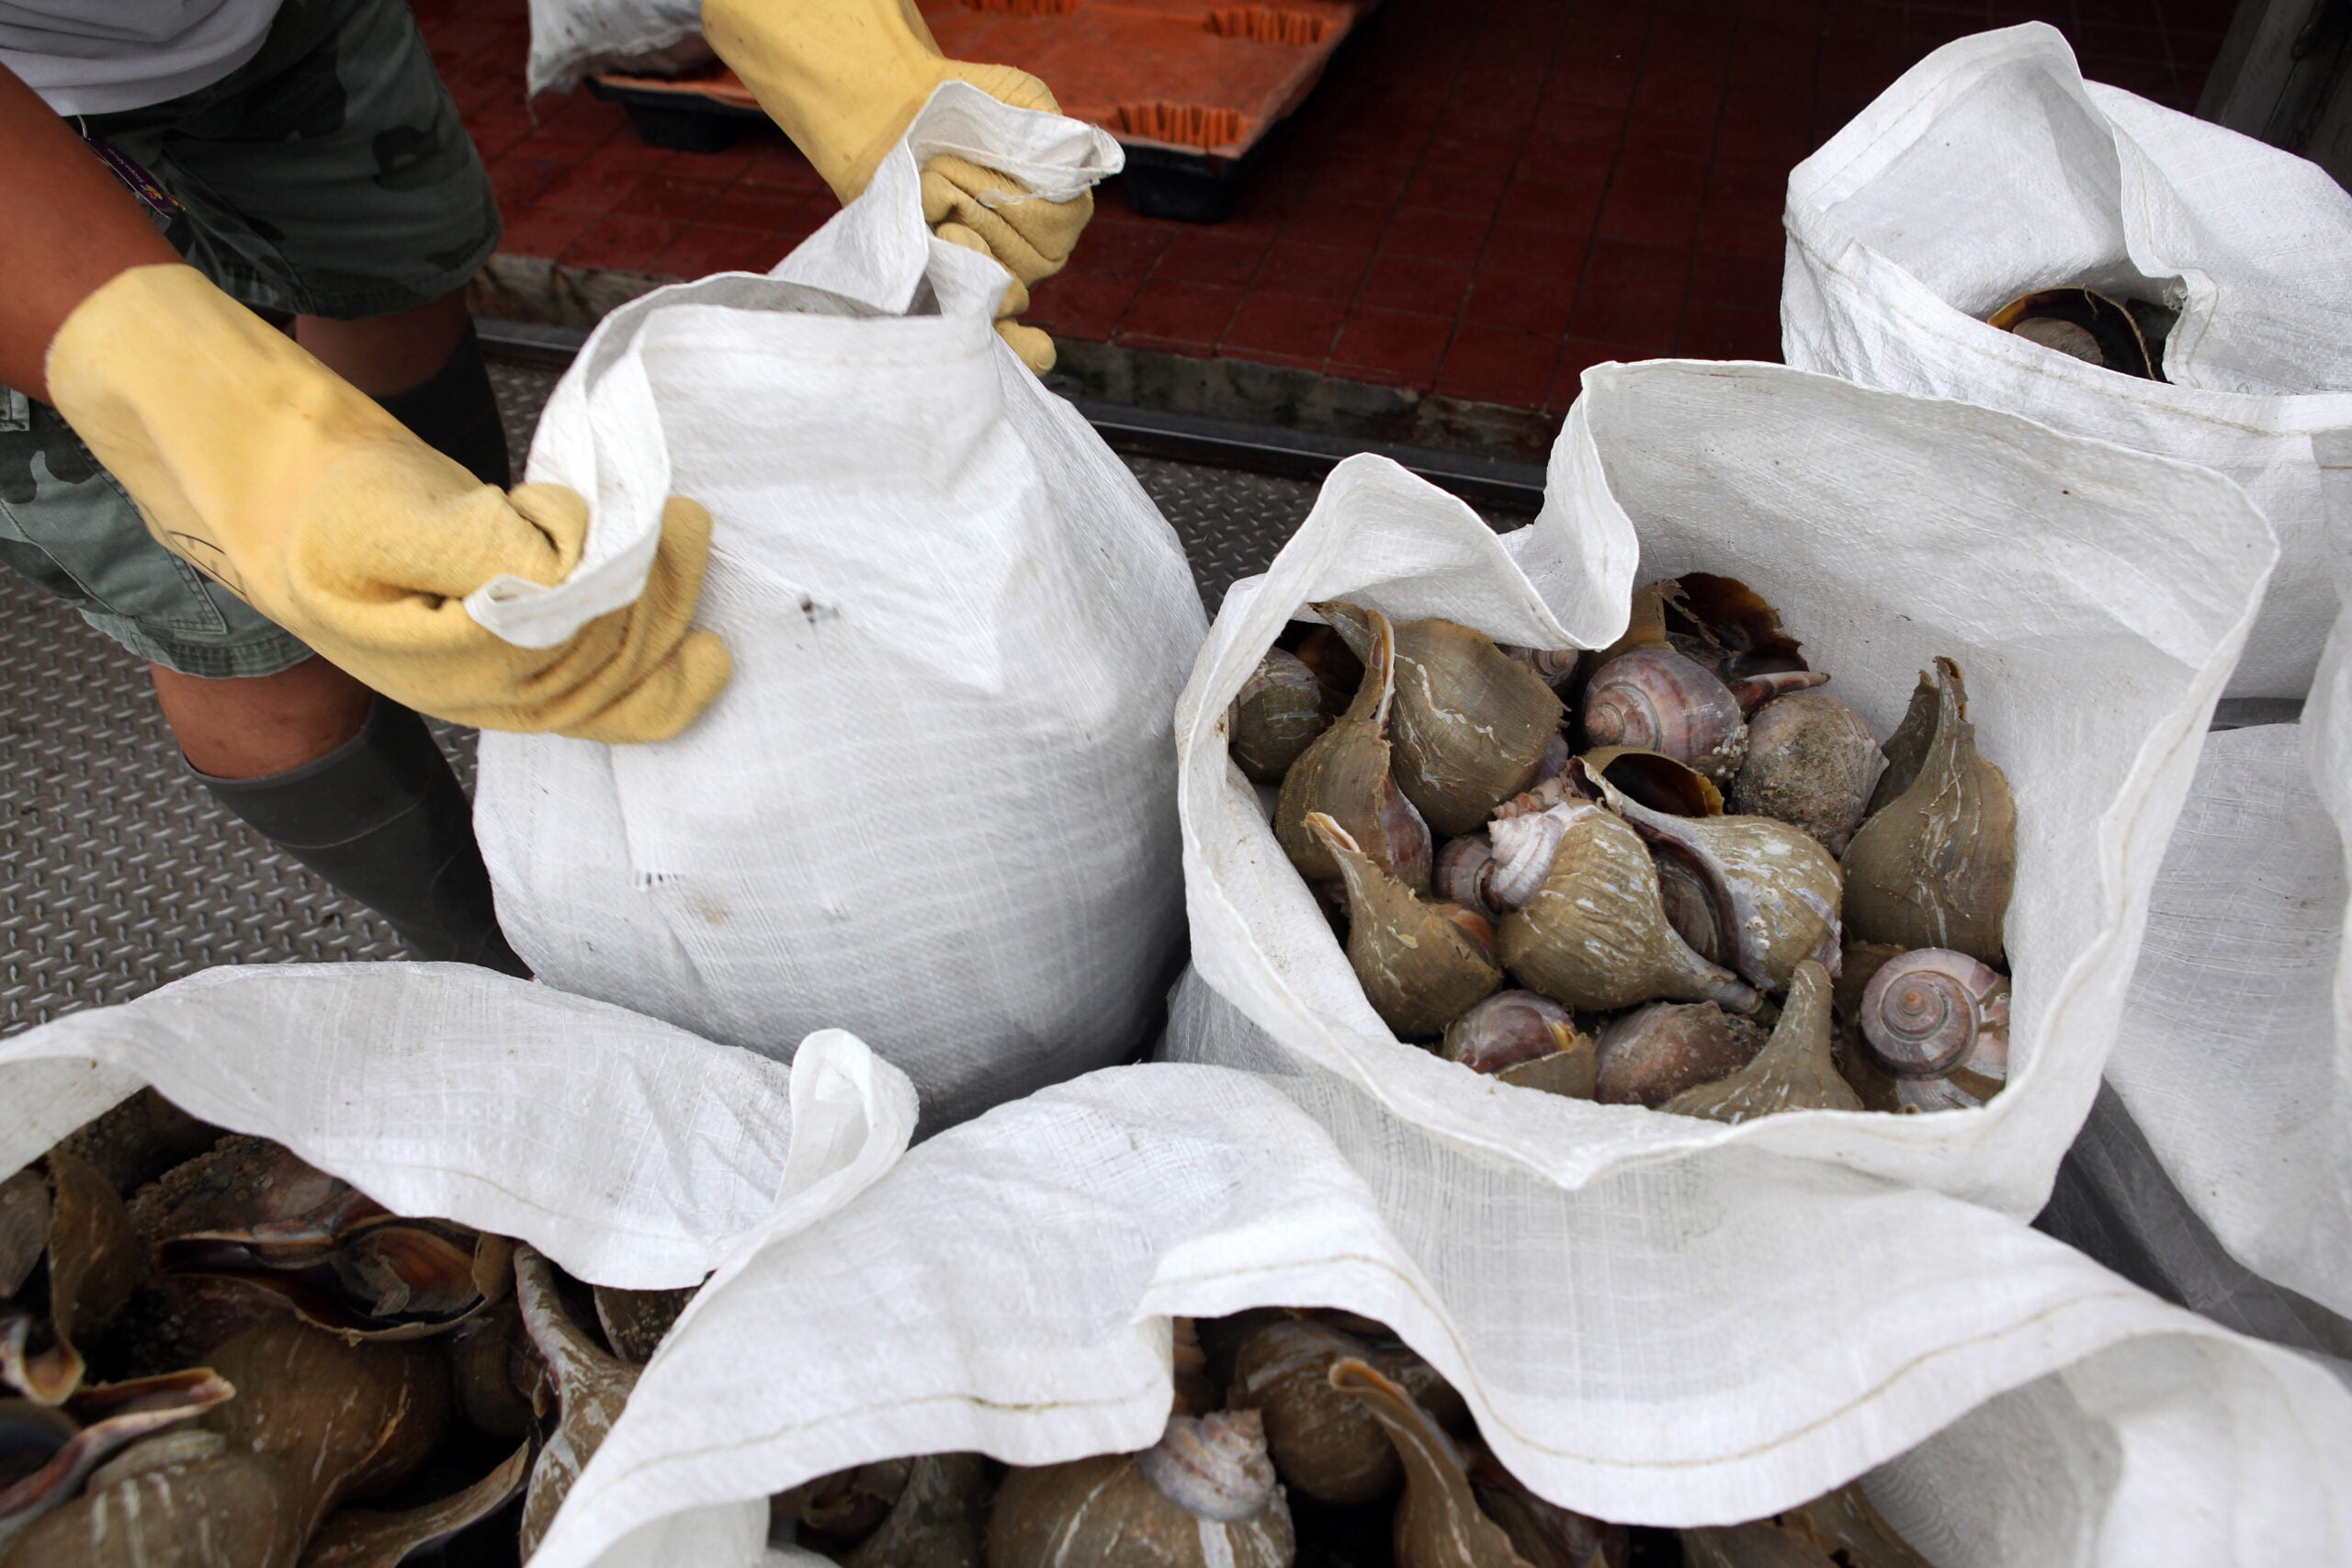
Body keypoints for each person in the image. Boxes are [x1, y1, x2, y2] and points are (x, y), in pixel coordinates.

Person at [0, 0, 1091, 975]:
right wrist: (209, 420)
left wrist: (838, 50)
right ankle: (478, 951)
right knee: (244, 611)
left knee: (393, 294)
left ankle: (504, 674)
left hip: (286, 26)